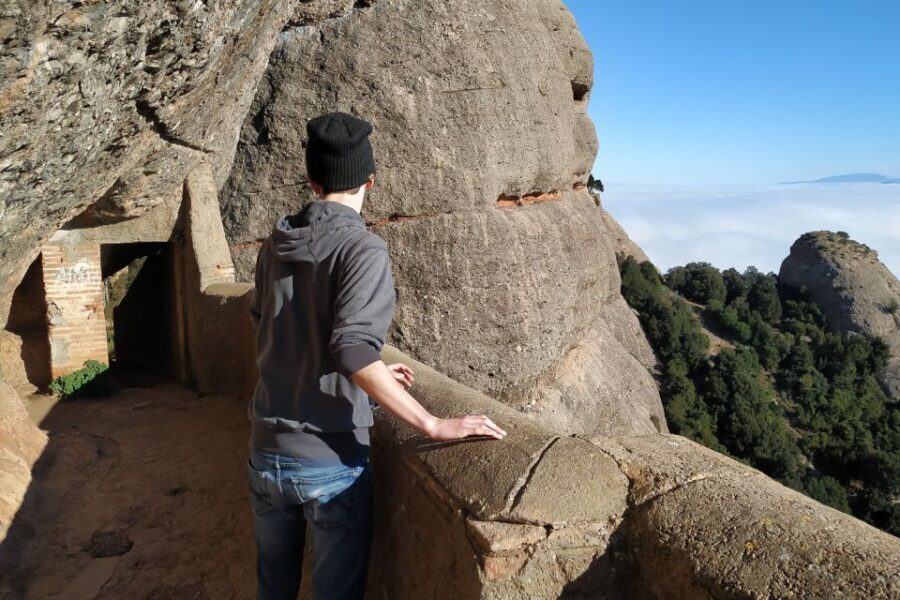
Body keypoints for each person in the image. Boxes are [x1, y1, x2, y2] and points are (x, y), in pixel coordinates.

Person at [247, 111, 506, 600]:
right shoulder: (362, 249)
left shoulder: (273, 245)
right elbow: (351, 348)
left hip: (266, 450)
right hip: (330, 463)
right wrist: (431, 423)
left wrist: (373, 370)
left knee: (272, 588)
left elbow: (272, 328)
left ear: (311, 178)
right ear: (371, 178)